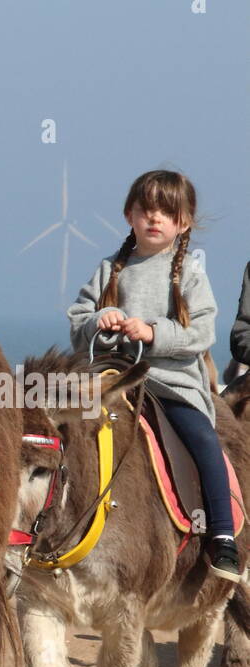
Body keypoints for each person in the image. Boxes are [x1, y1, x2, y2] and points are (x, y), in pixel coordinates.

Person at [69, 169, 236, 580]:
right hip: (111, 376)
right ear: (130, 215)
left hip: (170, 383)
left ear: (184, 222)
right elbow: (78, 325)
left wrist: (153, 332)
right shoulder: (109, 269)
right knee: (59, 425)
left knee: (202, 439)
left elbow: (202, 332)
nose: (154, 218)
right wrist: (98, 320)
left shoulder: (191, 273)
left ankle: (222, 534)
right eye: (146, 209)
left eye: (166, 211)